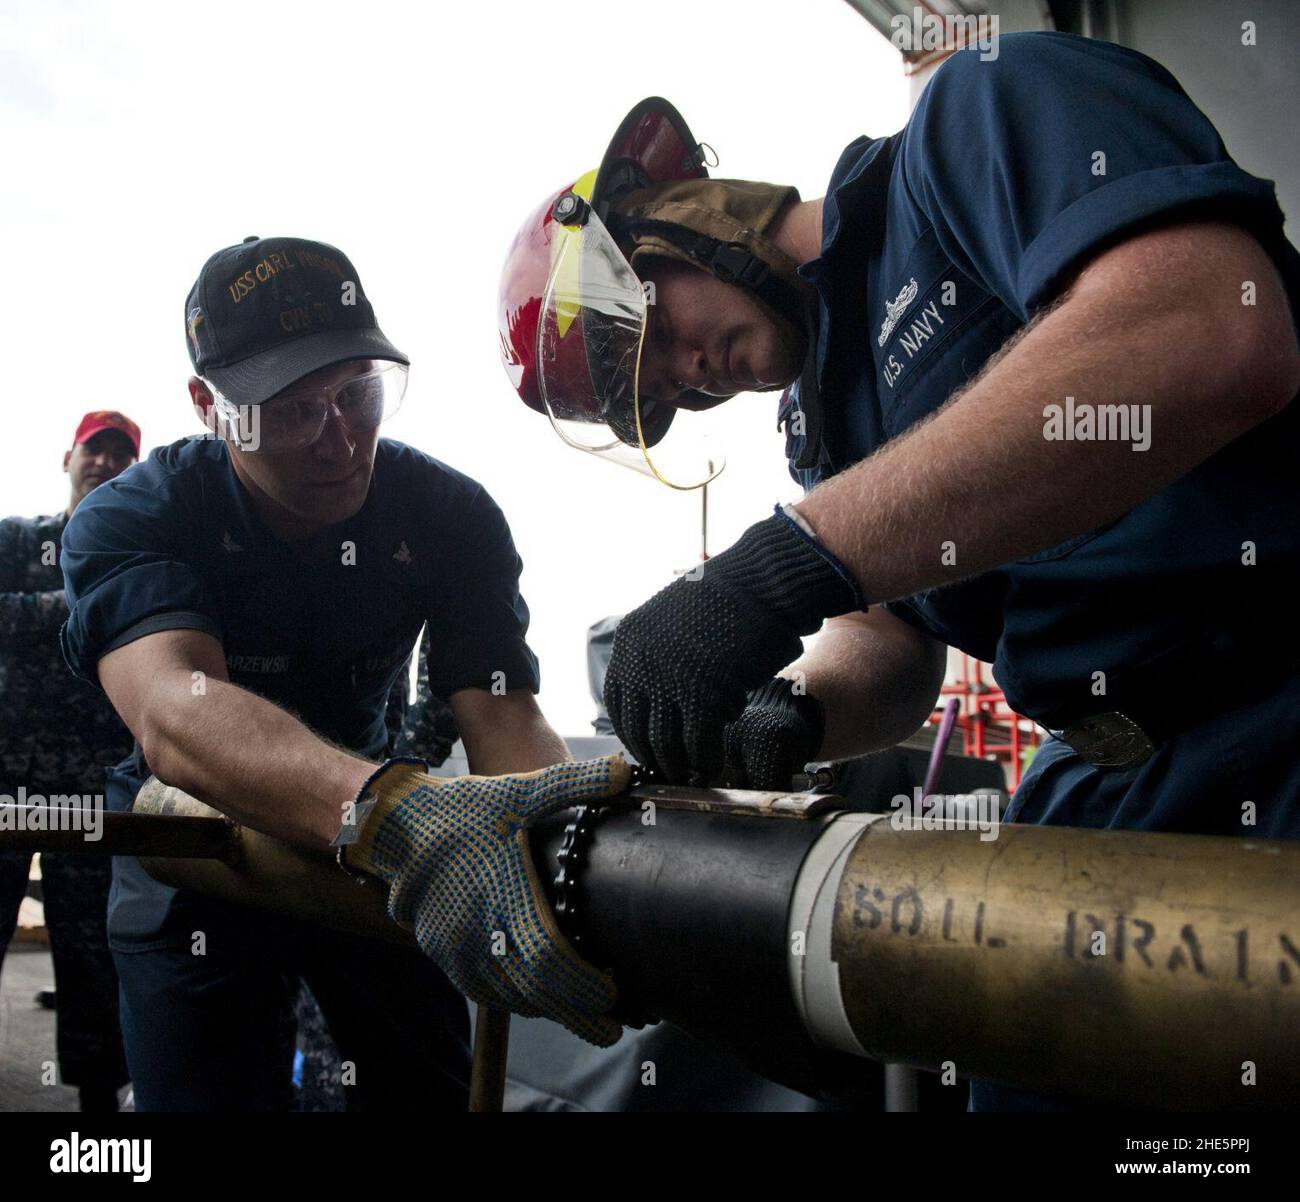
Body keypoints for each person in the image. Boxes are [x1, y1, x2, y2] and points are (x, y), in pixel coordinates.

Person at [498, 33, 1300, 1108]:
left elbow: (1202, 328)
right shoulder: (824, 434)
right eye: (656, 395)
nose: (688, 376)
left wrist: (770, 570)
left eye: (645, 328)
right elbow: (888, 642)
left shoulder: (976, 118)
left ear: (678, 210)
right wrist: (787, 718)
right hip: (1108, 778)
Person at [59, 235, 628, 1112]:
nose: (340, 441)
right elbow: (176, 712)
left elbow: (506, 723)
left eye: (359, 395)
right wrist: (394, 817)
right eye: (291, 410)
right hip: (197, 842)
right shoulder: (136, 516)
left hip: (371, 847)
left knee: (424, 1090)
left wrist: (583, 861)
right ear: (211, 407)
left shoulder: (450, 515)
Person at [0, 410, 140, 1112]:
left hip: (86, 785)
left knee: (94, 952)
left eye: (122, 454)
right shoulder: (17, 539)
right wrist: (68, 608)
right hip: (3, 774)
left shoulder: (134, 558)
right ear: (69, 457)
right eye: (96, 450)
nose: (106, 463)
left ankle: (96, 1100)